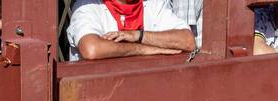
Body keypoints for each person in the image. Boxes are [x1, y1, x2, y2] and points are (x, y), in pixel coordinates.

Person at [65, 0, 195, 60]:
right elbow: (91, 49)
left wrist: (138, 35)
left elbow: (188, 41)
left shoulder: (153, 4)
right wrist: (144, 49)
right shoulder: (88, 6)